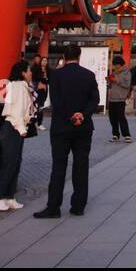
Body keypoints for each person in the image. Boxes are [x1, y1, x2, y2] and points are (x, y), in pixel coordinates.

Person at [34, 46, 100, 219]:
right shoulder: (88, 75)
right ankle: (78, 206)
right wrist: (82, 115)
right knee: (81, 165)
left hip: (61, 126)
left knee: (59, 166)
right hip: (83, 127)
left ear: (64, 56)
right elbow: (95, 99)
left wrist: (70, 116)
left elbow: (56, 100)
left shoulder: (56, 75)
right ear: (79, 56)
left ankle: (53, 207)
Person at [0, 60, 37, 212]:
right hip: (13, 127)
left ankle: (9, 197)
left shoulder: (22, 87)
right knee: (9, 163)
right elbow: (14, 110)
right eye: (29, 70)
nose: (31, 73)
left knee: (15, 163)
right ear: (23, 73)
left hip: (16, 127)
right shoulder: (17, 87)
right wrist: (21, 128)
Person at [105, 54, 133, 143]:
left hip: (121, 98)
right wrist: (109, 81)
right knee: (112, 118)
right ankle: (115, 135)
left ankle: (127, 135)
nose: (115, 66)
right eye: (114, 65)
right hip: (112, 98)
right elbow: (110, 85)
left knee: (121, 117)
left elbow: (127, 85)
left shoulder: (127, 73)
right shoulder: (114, 72)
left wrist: (117, 80)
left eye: (116, 65)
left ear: (120, 64)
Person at [32, 56, 49, 129]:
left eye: (46, 61)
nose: (44, 62)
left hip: (44, 90)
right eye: (43, 61)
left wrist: (45, 81)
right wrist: (41, 81)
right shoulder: (36, 69)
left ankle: (40, 123)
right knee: (36, 106)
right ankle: (34, 122)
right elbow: (34, 78)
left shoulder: (49, 70)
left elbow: (49, 80)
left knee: (41, 106)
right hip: (37, 89)